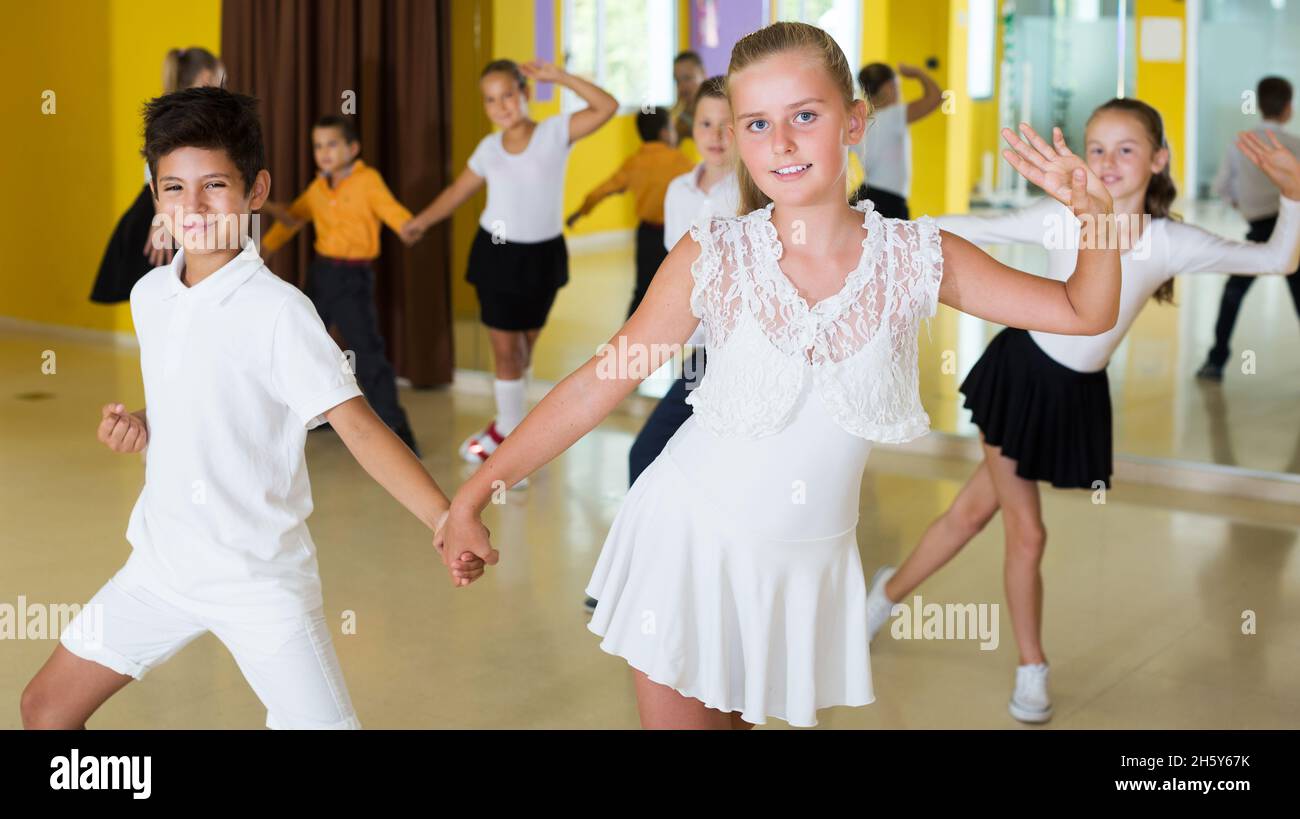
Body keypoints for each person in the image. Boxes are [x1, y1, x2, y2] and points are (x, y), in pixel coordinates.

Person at [438, 21, 1124, 729]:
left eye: (806, 115)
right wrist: (476, 492)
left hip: (800, 570)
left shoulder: (917, 255)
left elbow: (1081, 309)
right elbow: (597, 382)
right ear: (736, 136)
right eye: (758, 123)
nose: (783, 142)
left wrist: (1094, 216)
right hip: (687, 540)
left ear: (854, 120)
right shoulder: (717, 253)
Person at [21, 88, 459, 730]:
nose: (191, 207)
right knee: (45, 708)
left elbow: (360, 429)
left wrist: (444, 518)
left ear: (256, 190)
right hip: (162, 564)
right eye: (173, 188)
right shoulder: (152, 295)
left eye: (214, 185)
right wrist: (144, 421)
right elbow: (193, 387)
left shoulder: (280, 312)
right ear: (155, 196)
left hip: (258, 580)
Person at [867, 98, 1300, 724]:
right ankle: (1032, 667)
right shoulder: (1056, 218)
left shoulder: (1169, 242)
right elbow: (964, 227)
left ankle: (881, 597)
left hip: (1073, 393)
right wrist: (874, 231)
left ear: (1159, 159)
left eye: (1126, 149)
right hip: (1021, 376)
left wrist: (1292, 194)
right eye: (1096, 148)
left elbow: (1276, 259)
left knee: (967, 515)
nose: (1108, 161)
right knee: (1030, 531)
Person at [401, 60, 618, 468]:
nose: (501, 106)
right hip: (497, 257)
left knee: (524, 352)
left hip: (542, 257)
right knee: (507, 354)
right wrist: (421, 222)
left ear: (525, 93)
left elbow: (607, 106)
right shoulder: (488, 149)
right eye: (491, 100)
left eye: (508, 94)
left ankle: (505, 429)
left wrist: (560, 78)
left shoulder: (555, 132)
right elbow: (458, 192)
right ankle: (513, 453)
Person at [259, 115, 422, 455]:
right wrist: (263, 251)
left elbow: (392, 210)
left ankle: (397, 429)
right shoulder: (318, 188)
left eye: (332, 144)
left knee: (368, 352)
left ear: (352, 148)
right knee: (307, 343)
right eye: (318, 146)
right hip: (321, 274)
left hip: (353, 278)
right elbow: (292, 218)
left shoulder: (368, 181)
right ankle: (316, 413)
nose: (324, 152)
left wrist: (407, 226)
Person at [1197, 76, 1300, 381]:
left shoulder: (1240, 143)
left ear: (1258, 104)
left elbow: (1221, 187)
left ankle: (1215, 361)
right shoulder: (1295, 145)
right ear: (1288, 109)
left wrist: (1243, 207)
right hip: (1293, 235)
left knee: (1232, 294)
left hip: (1257, 231)